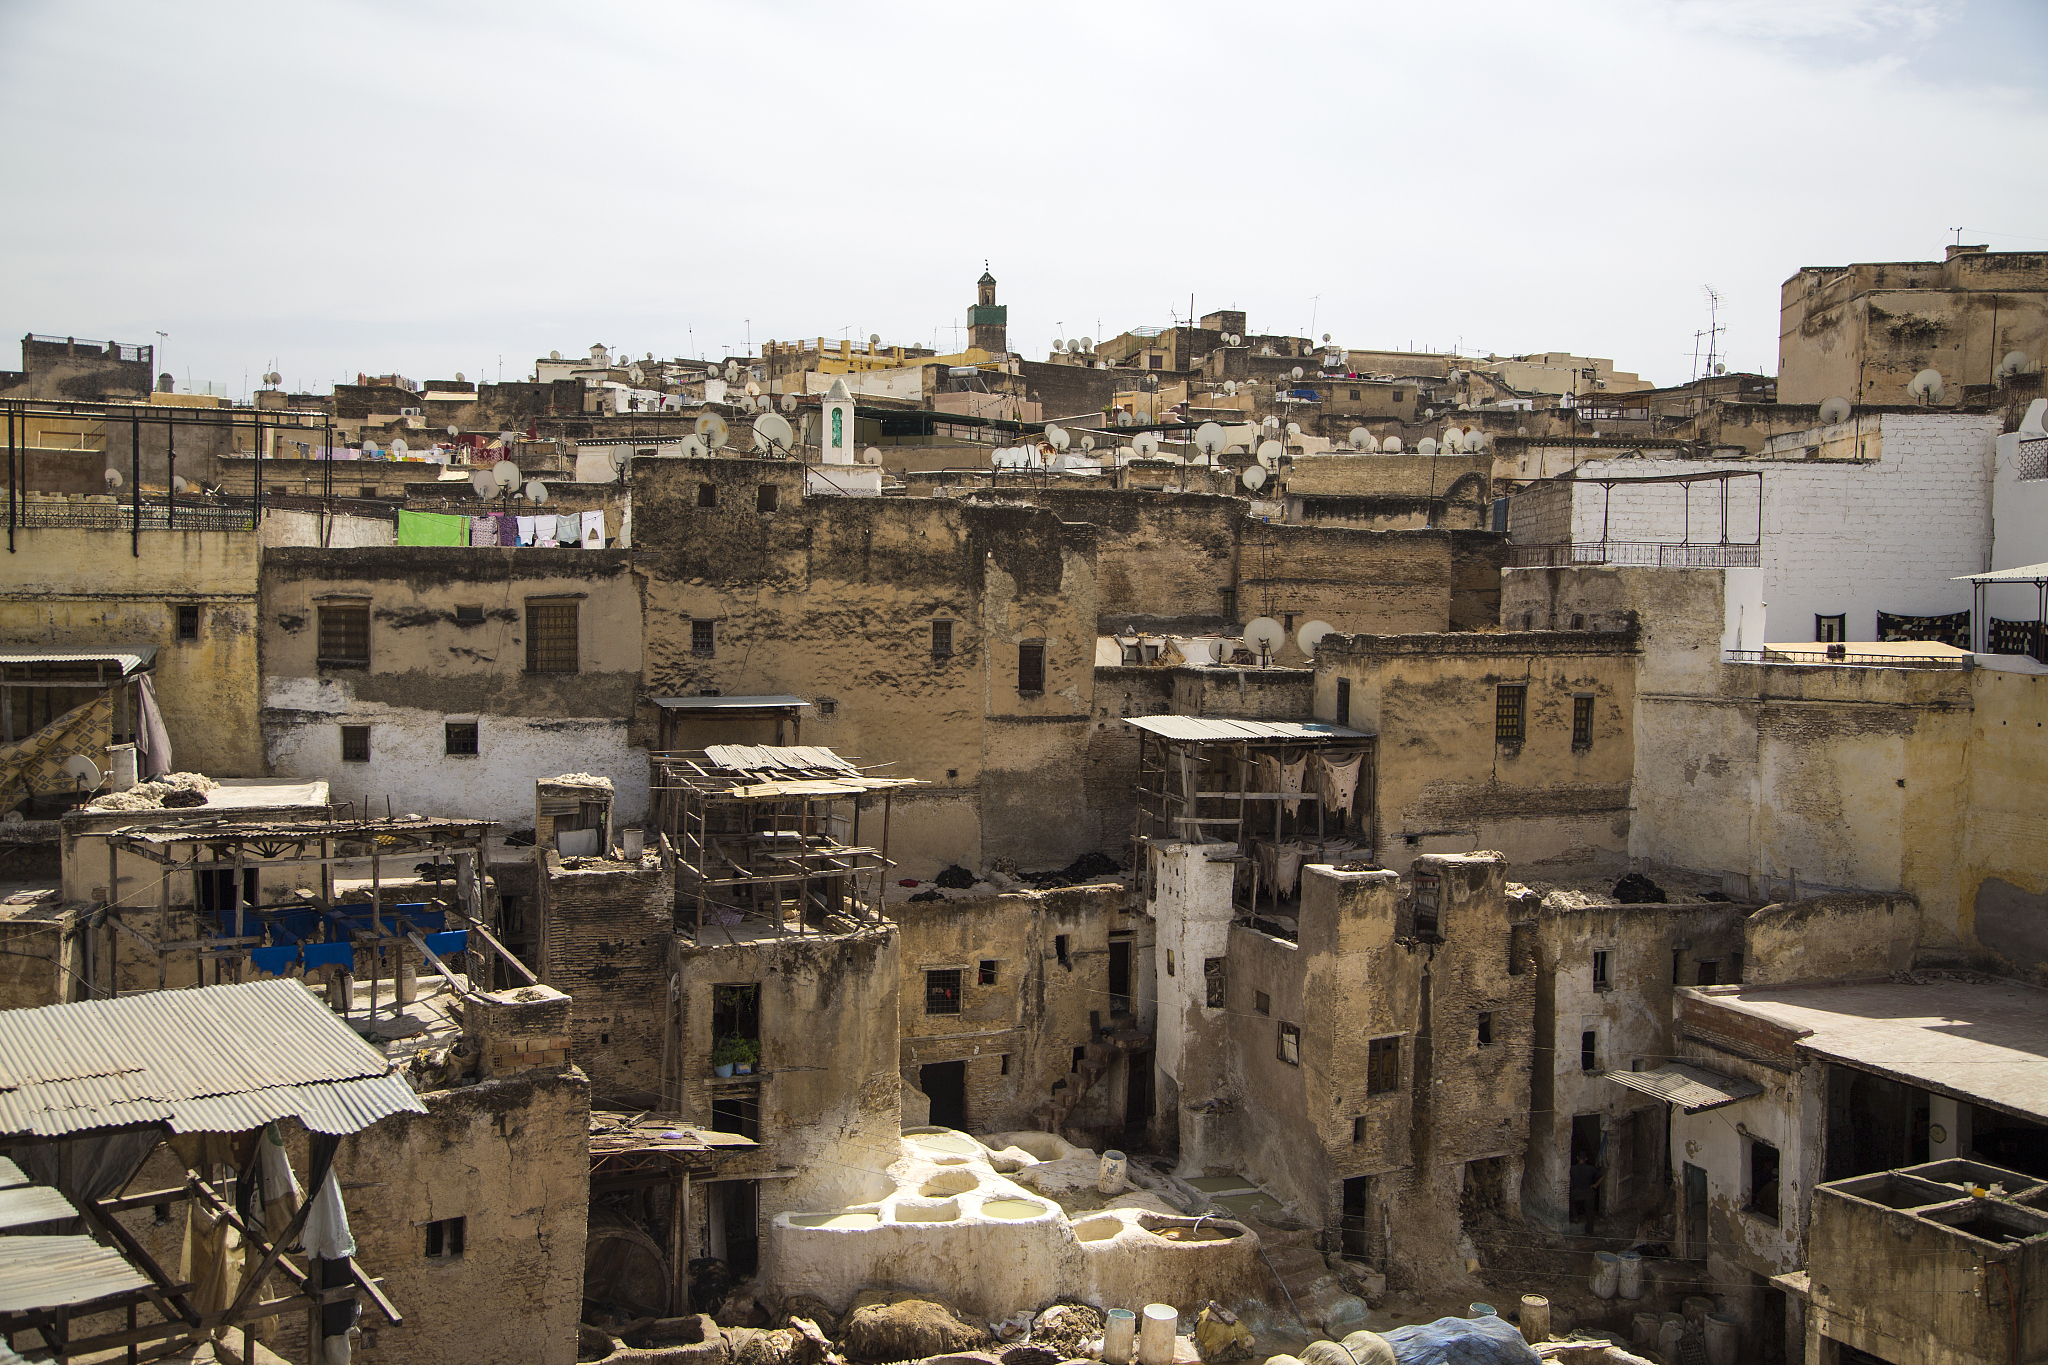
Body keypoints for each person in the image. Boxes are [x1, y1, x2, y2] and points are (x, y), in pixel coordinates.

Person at [1569, 1153, 1604, 1238]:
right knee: (1589, 1212)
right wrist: (1595, 1185)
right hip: (1588, 1192)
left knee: (1571, 1201)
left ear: (1577, 1157)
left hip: (1577, 1191)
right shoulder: (1590, 1168)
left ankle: (1575, 1217)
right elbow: (1601, 1176)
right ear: (1586, 1159)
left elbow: (1570, 1181)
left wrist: (1572, 1186)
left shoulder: (1572, 1169)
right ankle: (1588, 1232)